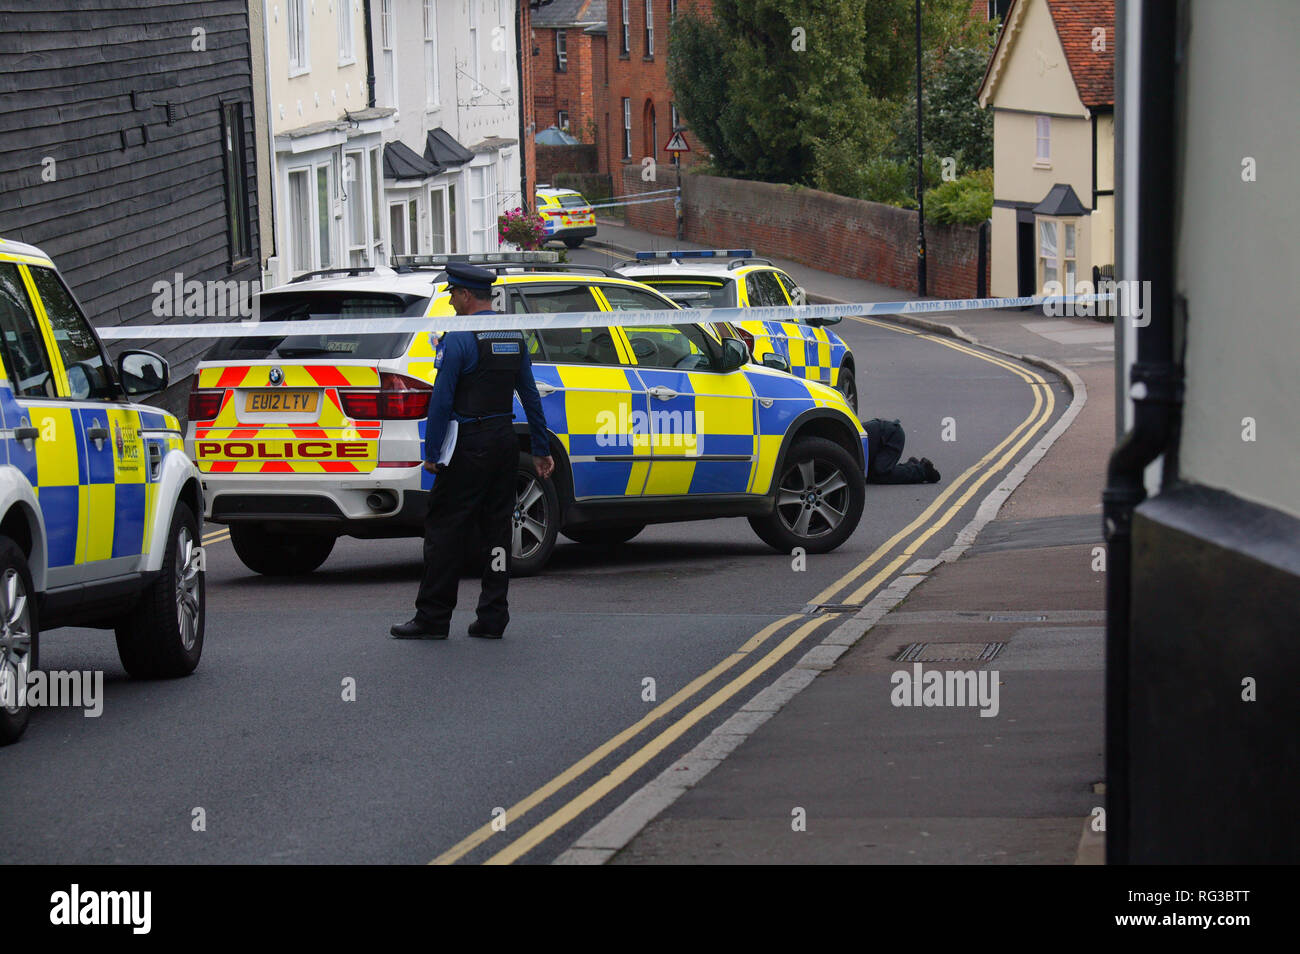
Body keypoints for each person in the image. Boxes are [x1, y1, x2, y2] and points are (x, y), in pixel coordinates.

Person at [391, 262, 554, 641]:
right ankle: (493, 616)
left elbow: (442, 400)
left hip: (467, 444)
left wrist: (432, 452)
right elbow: (529, 394)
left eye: (452, 294)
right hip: (503, 442)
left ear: (466, 295)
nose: (449, 301)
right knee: (498, 530)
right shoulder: (512, 333)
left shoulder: (460, 337)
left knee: (444, 530)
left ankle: (433, 616)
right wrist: (541, 448)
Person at [864, 418, 940, 484]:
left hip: (892, 435)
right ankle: (911, 465)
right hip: (883, 438)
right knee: (870, 476)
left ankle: (923, 471)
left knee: (881, 473)